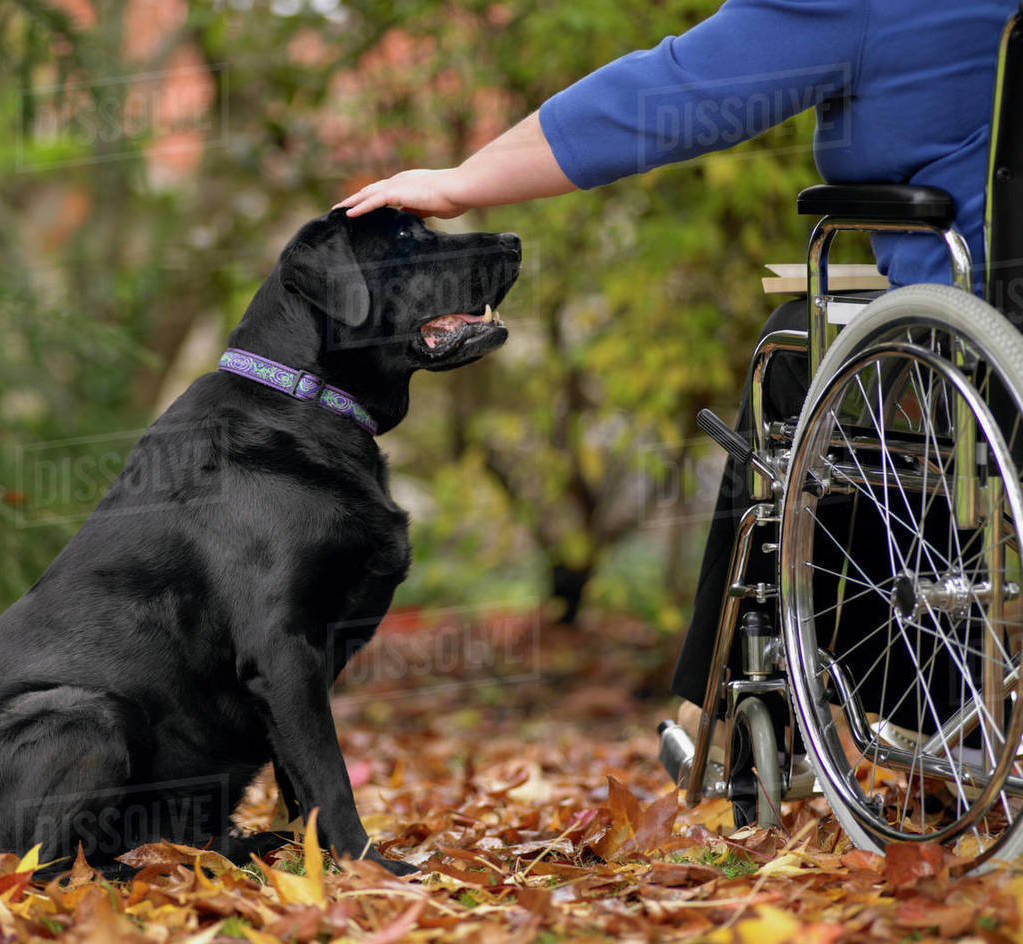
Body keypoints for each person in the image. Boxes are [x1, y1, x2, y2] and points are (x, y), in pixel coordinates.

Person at [336, 0, 1018, 713]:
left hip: (972, 357)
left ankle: (744, 712)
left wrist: (458, 184)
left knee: (793, 358)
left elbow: (670, 96)